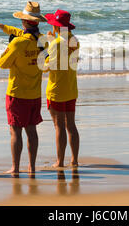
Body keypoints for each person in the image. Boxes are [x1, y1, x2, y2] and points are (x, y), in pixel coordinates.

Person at [0, 1, 47, 176]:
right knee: (32, 130)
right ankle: (32, 167)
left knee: (15, 131)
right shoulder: (43, 40)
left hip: (17, 93)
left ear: (25, 22)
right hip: (34, 92)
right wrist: (2, 26)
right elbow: (24, 34)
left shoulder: (18, 43)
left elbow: (2, 64)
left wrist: (7, 47)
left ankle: (15, 167)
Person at [44, 9, 80, 168]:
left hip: (57, 89)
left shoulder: (56, 44)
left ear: (57, 28)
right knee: (71, 125)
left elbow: (46, 67)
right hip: (71, 87)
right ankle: (74, 159)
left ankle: (60, 161)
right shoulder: (74, 40)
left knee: (59, 127)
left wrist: (49, 45)